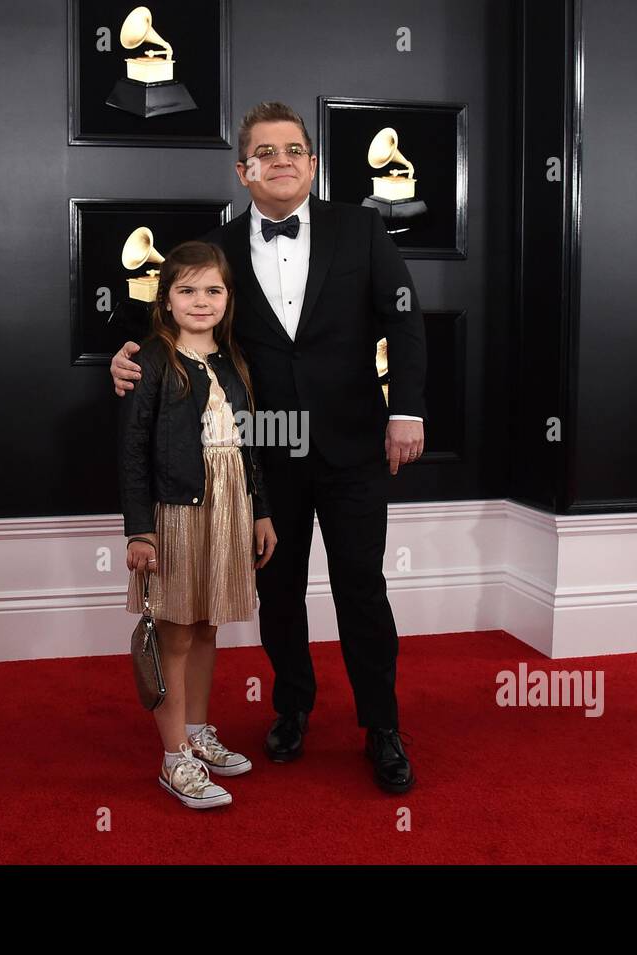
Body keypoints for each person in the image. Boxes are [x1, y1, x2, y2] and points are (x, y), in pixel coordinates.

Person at [112, 102, 426, 793]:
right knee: (278, 593)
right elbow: (178, 322)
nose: (281, 159)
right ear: (243, 170)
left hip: (353, 445)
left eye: (294, 149)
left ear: (312, 164)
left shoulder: (364, 226)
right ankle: (292, 709)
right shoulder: (217, 246)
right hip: (261, 457)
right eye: (266, 151)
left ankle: (383, 727)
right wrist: (126, 358)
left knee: (362, 589)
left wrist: (405, 409)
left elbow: (405, 323)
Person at [119, 239, 278, 810]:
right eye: (187, 290)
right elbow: (134, 450)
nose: (202, 300)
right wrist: (140, 530)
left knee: (208, 624)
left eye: (213, 290)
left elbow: (249, 442)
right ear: (165, 300)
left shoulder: (234, 360)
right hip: (176, 512)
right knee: (176, 630)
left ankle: (198, 733)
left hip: (231, 507)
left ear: (229, 298)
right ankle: (173, 758)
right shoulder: (152, 361)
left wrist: (260, 510)